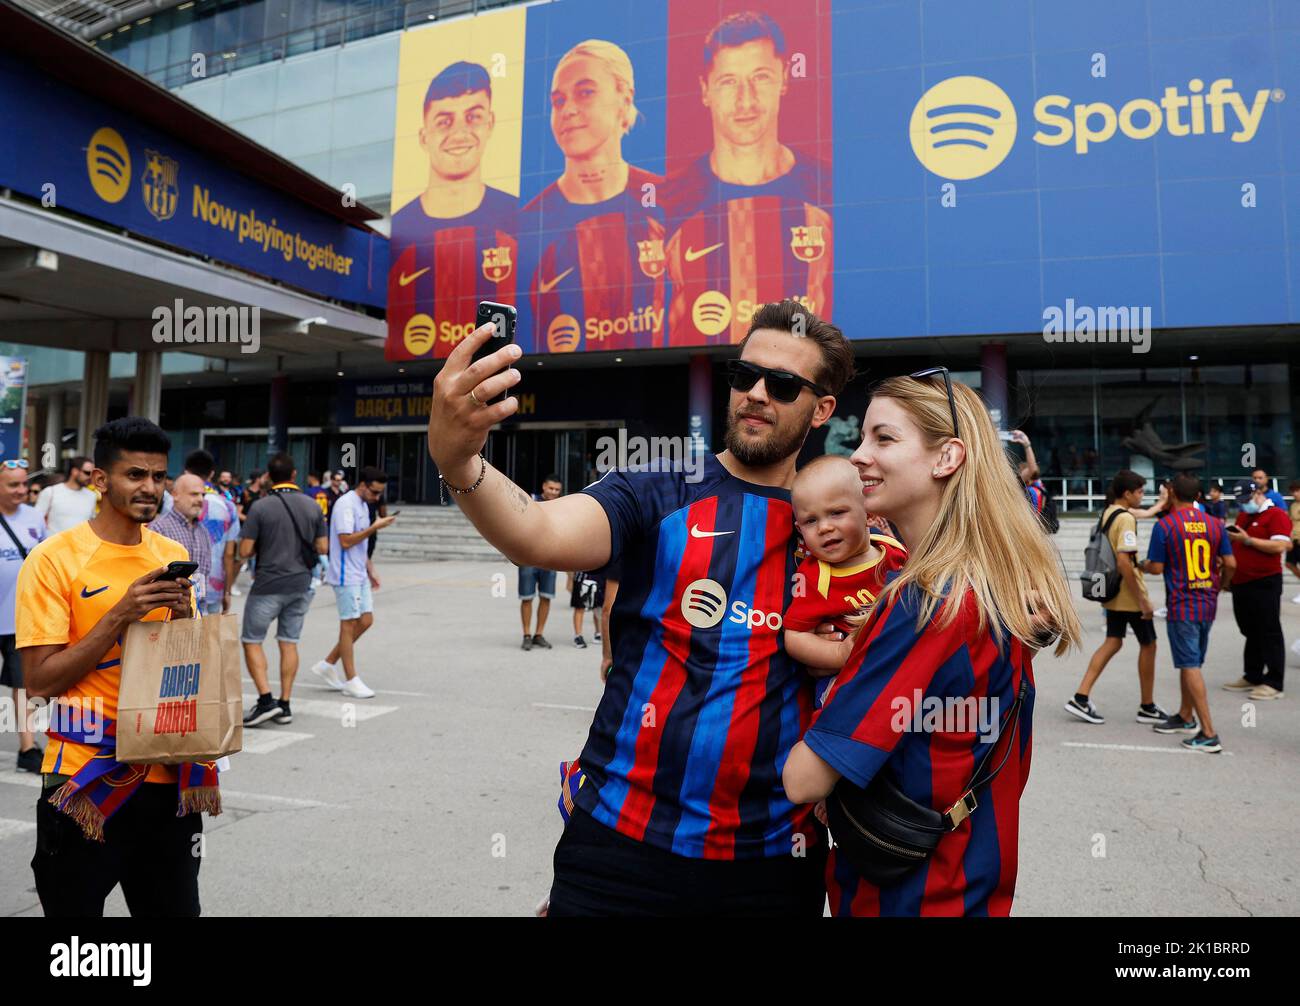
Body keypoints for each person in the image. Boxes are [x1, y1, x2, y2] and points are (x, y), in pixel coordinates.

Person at [428, 298, 854, 915]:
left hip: (771, 863)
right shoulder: (659, 487)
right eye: (744, 375)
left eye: (782, 384)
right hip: (618, 848)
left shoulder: (844, 528)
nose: (756, 393)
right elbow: (537, 533)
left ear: (821, 410)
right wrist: (457, 459)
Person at [782, 371, 1080, 916]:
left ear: (946, 459)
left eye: (884, 439)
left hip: (909, 896)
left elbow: (804, 779)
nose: (858, 457)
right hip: (974, 880)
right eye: (862, 438)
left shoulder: (923, 601)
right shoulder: (998, 581)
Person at [18, 417, 211, 918]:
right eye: (135, 475)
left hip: (167, 775)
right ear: (101, 480)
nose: (150, 488)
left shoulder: (171, 554)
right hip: (84, 776)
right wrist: (120, 614)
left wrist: (186, 624)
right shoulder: (53, 559)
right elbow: (39, 683)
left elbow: (179, 667)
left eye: (158, 476)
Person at [664, 11, 831, 346]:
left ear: (784, 78)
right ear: (705, 89)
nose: (745, 100)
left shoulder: (826, 188)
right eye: (728, 81)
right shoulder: (672, 201)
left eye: (761, 77)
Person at [522, 39, 665, 352]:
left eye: (585, 92)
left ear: (624, 100)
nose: (568, 109)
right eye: (558, 101)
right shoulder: (529, 223)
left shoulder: (669, 201)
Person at [388, 61, 519, 361]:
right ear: (424, 136)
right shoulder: (398, 232)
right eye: (444, 121)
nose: (460, 132)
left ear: (491, 124)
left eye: (473, 116)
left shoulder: (520, 220)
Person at [783, 454, 908, 708]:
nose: (824, 528)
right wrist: (838, 654)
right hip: (845, 680)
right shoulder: (815, 576)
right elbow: (795, 636)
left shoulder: (892, 550)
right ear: (799, 529)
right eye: (811, 521)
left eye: (837, 513)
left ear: (870, 515)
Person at [1064, 470, 1167, 726]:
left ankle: (1081, 696)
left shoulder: (1109, 512)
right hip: (1127, 594)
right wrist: (1142, 599)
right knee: (1149, 644)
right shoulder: (1126, 519)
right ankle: (1147, 705)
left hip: (1112, 592)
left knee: (1113, 641)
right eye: (1140, 492)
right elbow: (1123, 561)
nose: (1142, 496)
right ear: (1127, 493)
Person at [1143, 474, 1236, 752]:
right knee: (1192, 661)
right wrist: (1223, 584)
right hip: (1207, 602)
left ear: (1172, 495)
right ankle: (1185, 715)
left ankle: (1208, 732)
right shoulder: (1214, 525)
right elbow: (1230, 562)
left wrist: (1145, 565)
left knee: (1189, 664)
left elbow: (1157, 567)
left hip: (1182, 604)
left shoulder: (1166, 526)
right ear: (1198, 496)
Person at [240, 453, 328, 727]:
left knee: (252, 640)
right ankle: (285, 704)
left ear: (269, 476)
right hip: (301, 583)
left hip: (268, 583)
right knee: (289, 642)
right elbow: (323, 548)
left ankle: (266, 700)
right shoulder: (312, 506)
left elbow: (245, 551)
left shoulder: (260, 507)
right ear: (293, 475)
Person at [311, 466, 396, 699]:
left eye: (380, 493)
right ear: (362, 485)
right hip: (344, 573)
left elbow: (359, 544)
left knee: (366, 620)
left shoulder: (362, 504)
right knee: (348, 625)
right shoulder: (345, 504)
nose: (377, 498)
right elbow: (346, 541)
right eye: (375, 492)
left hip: (358, 571)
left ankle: (328, 664)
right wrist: (374, 527)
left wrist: (370, 568)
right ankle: (351, 679)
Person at [1223, 481, 1291, 700]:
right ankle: (1252, 674)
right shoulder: (1244, 516)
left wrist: (1248, 540)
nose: (1244, 505)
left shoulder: (1276, 515)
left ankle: (1274, 681)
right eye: (1241, 502)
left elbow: (1280, 546)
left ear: (1259, 492)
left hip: (1265, 581)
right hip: (1242, 581)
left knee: (1268, 629)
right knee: (1249, 629)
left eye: (1247, 499)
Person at [0, 459, 48, 771]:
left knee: (23, 685)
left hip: (21, 619)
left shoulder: (34, 518)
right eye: (12, 485)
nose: (21, 491)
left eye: (23, 485)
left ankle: (27, 748)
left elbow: (47, 560)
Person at [184, 450, 241, 615]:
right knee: (210, 638)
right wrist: (227, 591)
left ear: (186, 472)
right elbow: (229, 555)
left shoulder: (177, 502)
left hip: (183, 589)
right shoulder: (228, 506)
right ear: (212, 474)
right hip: (214, 587)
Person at [146, 473, 211, 609]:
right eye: (194, 494)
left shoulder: (202, 531)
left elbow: (203, 574)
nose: (200, 499)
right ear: (175, 495)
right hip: (167, 613)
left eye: (202, 495)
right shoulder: (158, 529)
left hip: (197, 610)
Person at [518, 476, 562, 651]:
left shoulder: (562, 506)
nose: (553, 492)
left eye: (557, 490)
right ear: (544, 486)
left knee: (546, 596)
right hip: (528, 557)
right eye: (551, 488)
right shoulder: (530, 500)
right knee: (527, 597)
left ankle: (539, 634)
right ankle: (527, 635)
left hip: (550, 558)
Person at [1010, 430, 1058, 533]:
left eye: (1022, 471)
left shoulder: (1031, 489)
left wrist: (1027, 445)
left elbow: (1032, 468)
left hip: (1030, 530)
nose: (1019, 473)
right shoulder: (1039, 487)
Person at [35, 456, 97, 533]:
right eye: (87, 473)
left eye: (93, 474)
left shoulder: (92, 496)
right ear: (74, 471)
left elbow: (92, 523)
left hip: (82, 544)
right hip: (55, 544)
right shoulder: (50, 492)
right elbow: (35, 521)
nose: (90, 477)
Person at [567, 568, 605, 649]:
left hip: (600, 575)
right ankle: (578, 636)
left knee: (598, 605)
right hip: (582, 575)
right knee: (580, 606)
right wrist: (570, 578)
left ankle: (598, 632)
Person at [1285, 479, 1300, 604]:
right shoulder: (1293, 505)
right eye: (1293, 491)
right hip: (1294, 539)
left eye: (1298, 491)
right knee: (1289, 563)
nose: (1295, 494)